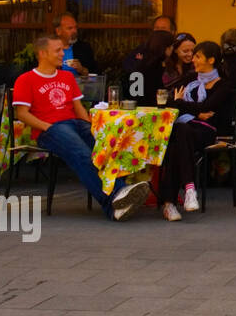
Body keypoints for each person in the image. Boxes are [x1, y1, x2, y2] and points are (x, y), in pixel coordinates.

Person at [12, 34, 150, 220]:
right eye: (58, 50)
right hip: (51, 129)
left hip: (75, 123)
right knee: (82, 154)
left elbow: (78, 108)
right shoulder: (26, 79)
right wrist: (47, 127)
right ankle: (116, 198)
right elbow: (21, 113)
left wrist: (92, 129)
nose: (63, 53)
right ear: (42, 53)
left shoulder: (67, 77)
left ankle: (119, 199)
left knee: (105, 146)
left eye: (62, 49)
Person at [158, 41, 234, 221]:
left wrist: (181, 103)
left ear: (211, 60)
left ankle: (169, 204)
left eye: (198, 56)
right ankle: (190, 189)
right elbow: (168, 102)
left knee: (177, 138)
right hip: (184, 129)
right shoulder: (189, 79)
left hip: (206, 131)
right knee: (180, 134)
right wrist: (196, 110)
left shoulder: (223, 85)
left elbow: (208, 106)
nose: (193, 59)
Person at [120, 30, 174, 106]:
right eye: (171, 45)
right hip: (148, 110)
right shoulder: (153, 66)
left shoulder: (142, 63)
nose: (172, 48)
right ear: (165, 47)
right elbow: (156, 95)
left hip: (133, 107)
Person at [53, 12, 98, 79]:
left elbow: (95, 76)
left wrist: (81, 69)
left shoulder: (84, 48)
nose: (75, 31)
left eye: (75, 27)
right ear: (58, 31)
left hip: (78, 87)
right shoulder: (49, 49)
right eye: (70, 28)